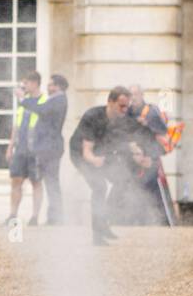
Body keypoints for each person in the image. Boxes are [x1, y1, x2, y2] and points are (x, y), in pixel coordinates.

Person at [69, 86, 158, 245]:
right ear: (110, 102)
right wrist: (95, 161)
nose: (125, 110)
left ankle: (104, 221)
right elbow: (86, 152)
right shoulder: (93, 117)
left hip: (102, 153)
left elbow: (131, 144)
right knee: (100, 186)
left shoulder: (123, 120)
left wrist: (142, 157)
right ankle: (97, 236)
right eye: (121, 106)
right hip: (82, 155)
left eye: (127, 106)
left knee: (122, 180)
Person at [19, 72, 69, 224]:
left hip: (51, 146)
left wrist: (23, 99)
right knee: (50, 182)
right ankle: (54, 216)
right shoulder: (55, 100)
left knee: (52, 182)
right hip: (47, 146)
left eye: (51, 84)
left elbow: (40, 109)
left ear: (58, 87)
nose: (48, 86)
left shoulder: (59, 100)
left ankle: (56, 217)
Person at [6, 71, 45, 225]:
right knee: (16, 180)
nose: (24, 87)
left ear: (35, 83)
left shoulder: (44, 101)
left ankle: (35, 217)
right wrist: (10, 147)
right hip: (21, 147)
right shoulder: (23, 103)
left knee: (36, 181)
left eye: (26, 83)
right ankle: (13, 215)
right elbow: (16, 125)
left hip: (36, 147)